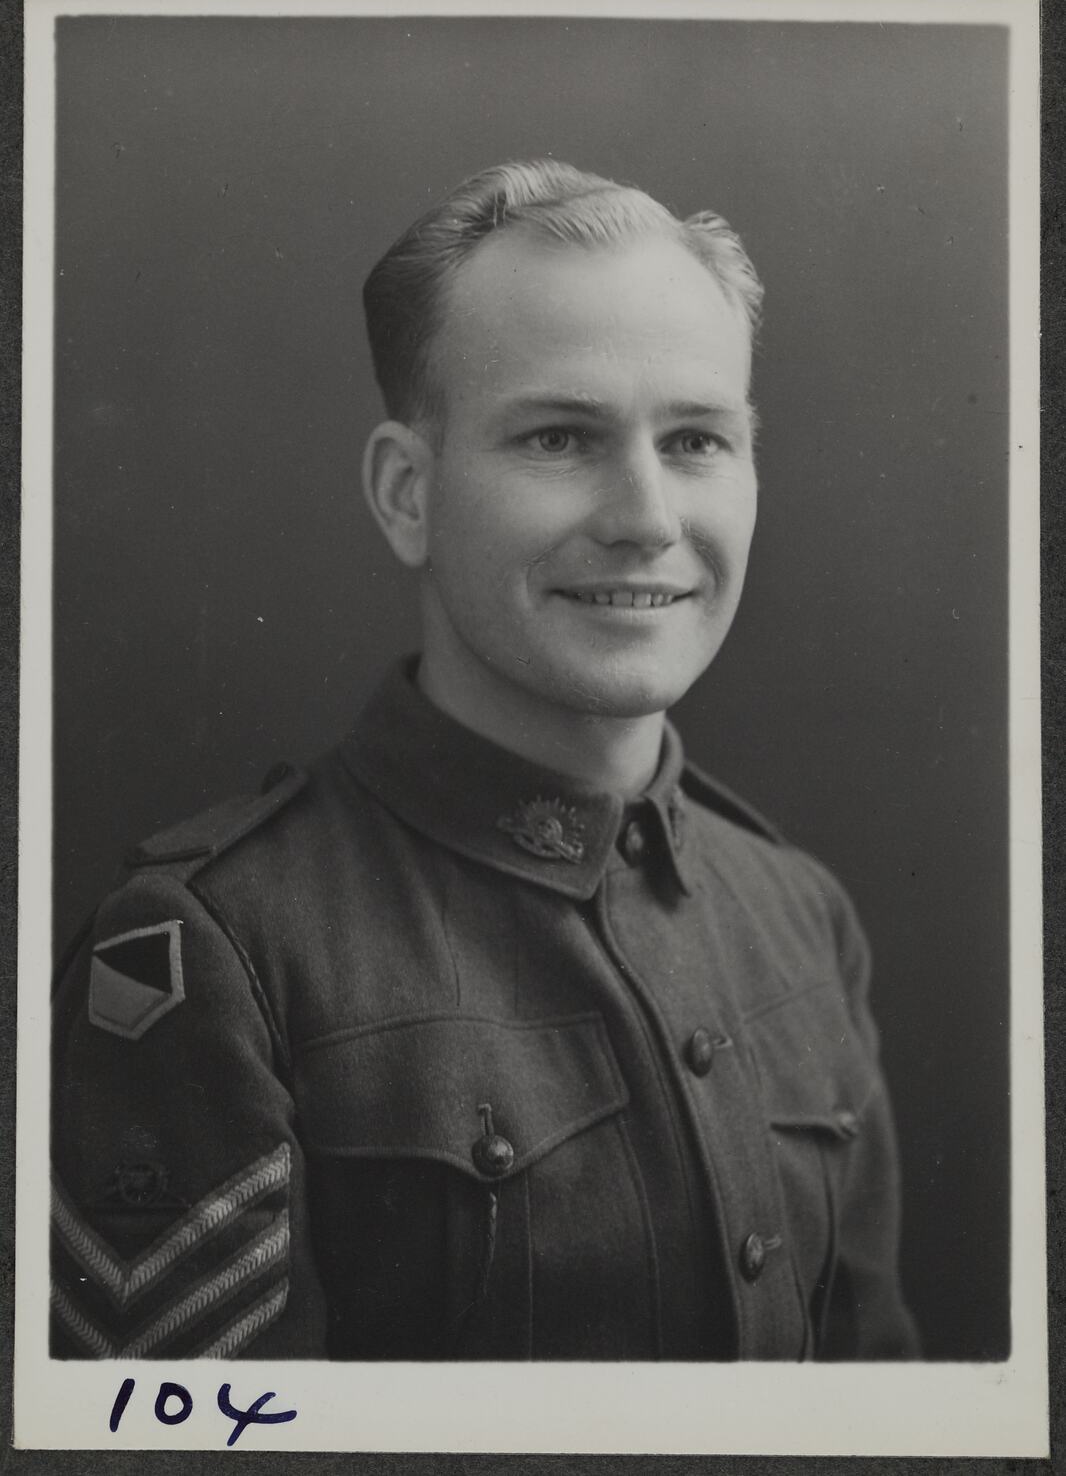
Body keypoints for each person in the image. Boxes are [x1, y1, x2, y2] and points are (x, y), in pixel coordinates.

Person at [51, 160, 919, 1361]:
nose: (648, 517)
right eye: (560, 437)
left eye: (696, 440)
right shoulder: (224, 951)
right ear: (408, 494)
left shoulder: (799, 915)